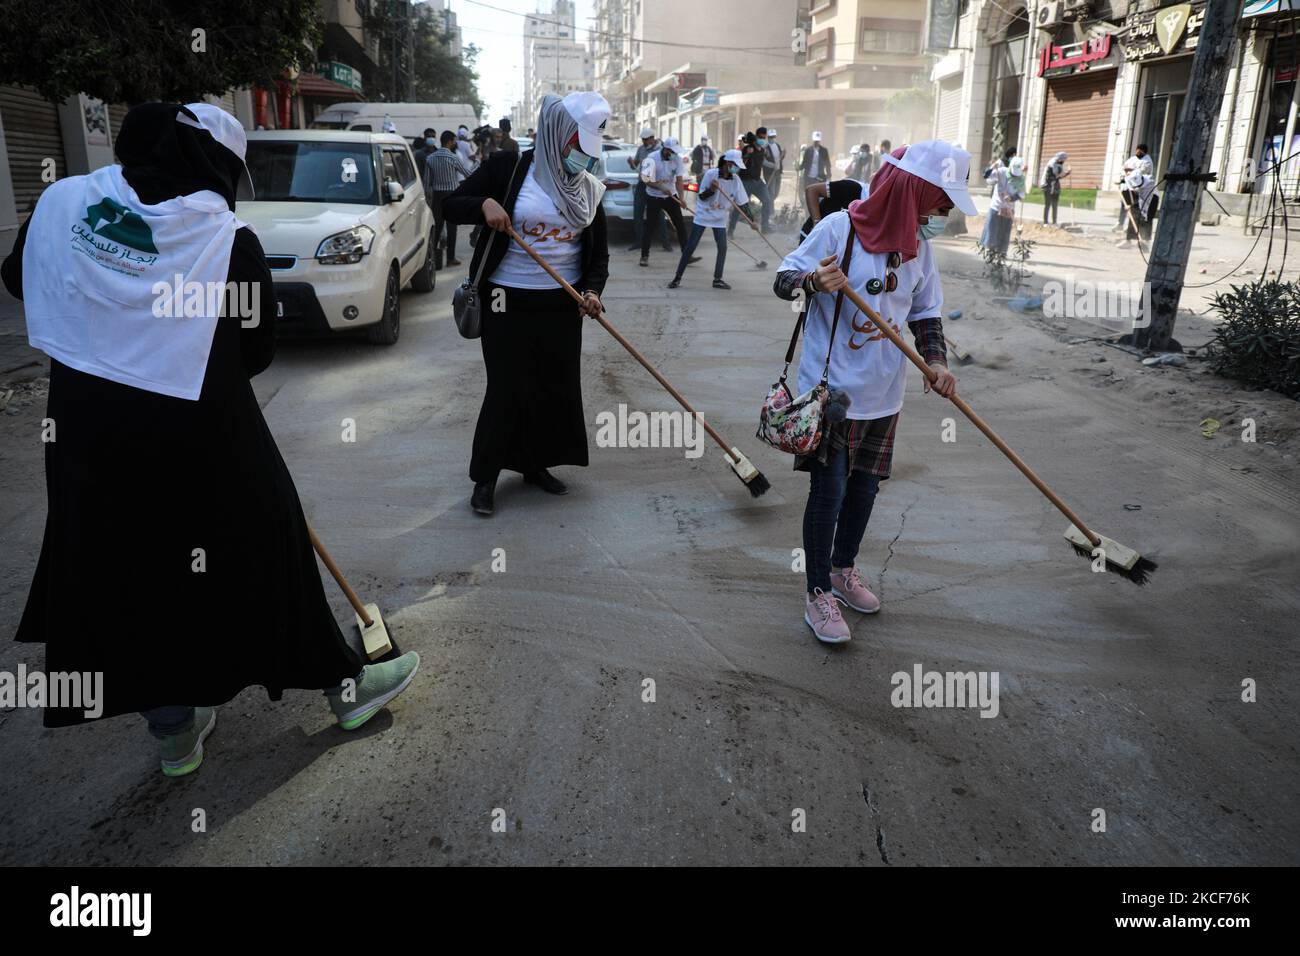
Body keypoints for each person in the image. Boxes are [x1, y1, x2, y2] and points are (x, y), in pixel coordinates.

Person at [0, 102, 420, 774]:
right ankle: (346, 687)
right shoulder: (223, 240)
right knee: (264, 551)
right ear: (216, 166)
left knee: (126, 569)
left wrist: (108, 306)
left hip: (90, 439)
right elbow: (255, 352)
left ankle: (174, 725)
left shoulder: (63, 204)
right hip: (207, 442)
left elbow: (19, 280)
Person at [773, 140, 972, 644]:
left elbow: (926, 313)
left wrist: (937, 362)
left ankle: (843, 570)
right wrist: (814, 280)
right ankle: (818, 592)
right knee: (830, 491)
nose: (942, 217)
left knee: (864, 488)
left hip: (886, 393)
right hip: (833, 393)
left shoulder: (918, 248)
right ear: (912, 193)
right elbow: (782, 280)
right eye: (940, 205)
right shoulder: (838, 229)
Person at [443, 91, 610, 517]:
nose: (581, 157)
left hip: (562, 300)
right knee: (506, 386)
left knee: (551, 384)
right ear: (556, 133)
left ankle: (535, 466)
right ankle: (486, 476)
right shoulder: (508, 168)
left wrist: (592, 292)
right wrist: (484, 204)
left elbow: (598, 252)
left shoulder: (587, 184)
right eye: (575, 146)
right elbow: (449, 205)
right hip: (505, 298)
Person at [670, 148, 746, 290]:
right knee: (690, 247)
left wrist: (751, 220)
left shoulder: (736, 180)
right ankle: (677, 278)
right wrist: (711, 189)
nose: (736, 169)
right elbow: (702, 196)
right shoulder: (710, 174)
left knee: (722, 248)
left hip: (720, 217)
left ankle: (717, 279)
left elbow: (743, 203)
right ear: (728, 163)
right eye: (735, 165)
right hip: (704, 214)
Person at [639, 136, 691, 266]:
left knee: (680, 225)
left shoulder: (677, 160)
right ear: (665, 149)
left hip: (670, 196)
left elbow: (679, 180)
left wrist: (682, 198)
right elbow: (646, 179)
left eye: (675, 152)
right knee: (649, 227)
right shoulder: (651, 158)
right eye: (672, 152)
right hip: (653, 197)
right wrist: (660, 187)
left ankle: (686, 255)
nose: (674, 154)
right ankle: (644, 256)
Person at [426, 129, 473, 267]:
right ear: (450, 141)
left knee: (437, 227)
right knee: (452, 228)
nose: (454, 143)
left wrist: (428, 200)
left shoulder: (430, 158)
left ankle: (433, 258)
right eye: (453, 141)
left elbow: (426, 183)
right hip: (452, 196)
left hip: (437, 196)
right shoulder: (453, 158)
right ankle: (450, 258)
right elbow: (467, 173)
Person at [627, 126, 670, 252]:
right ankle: (639, 242)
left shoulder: (660, 151)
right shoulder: (641, 149)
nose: (644, 142)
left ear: (652, 138)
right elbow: (635, 164)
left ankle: (666, 243)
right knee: (637, 213)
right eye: (643, 139)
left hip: (655, 186)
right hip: (642, 184)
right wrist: (631, 163)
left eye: (646, 139)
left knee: (659, 215)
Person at [800, 175, 869, 245]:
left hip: (832, 243)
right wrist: (817, 225)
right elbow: (811, 190)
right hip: (811, 237)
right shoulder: (851, 187)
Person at [729, 131, 772, 236]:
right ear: (756, 138)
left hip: (758, 181)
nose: (762, 139)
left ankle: (765, 227)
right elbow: (740, 163)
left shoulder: (762, 150)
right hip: (745, 182)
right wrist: (747, 154)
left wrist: (774, 165)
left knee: (767, 201)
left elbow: (764, 161)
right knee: (741, 206)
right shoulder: (746, 149)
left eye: (763, 137)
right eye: (760, 137)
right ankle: (730, 230)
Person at [980, 154, 1024, 255]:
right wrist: (992, 167)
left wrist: (1012, 198)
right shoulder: (1001, 171)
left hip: (1009, 208)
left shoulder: (1021, 178)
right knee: (992, 230)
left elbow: (1021, 195)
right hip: (996, 206)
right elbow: (985, 175)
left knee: (1004, 232)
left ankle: (1001, 252)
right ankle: (989, 250)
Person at [1120, 166, 1158, 246]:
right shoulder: (1131, 179)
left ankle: (1146, 241)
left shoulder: (1145, 181)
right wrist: (1129, 205)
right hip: (1142, 196)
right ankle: (1129, 240)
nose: (1127, 172)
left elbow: (1144, 200)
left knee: (1147, 217)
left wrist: (1133, 206)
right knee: (1133, 215)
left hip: (1152, 197)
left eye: (1129, 170)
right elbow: (1131, 193)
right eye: (1126, 171)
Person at [799, 131, 831, 216]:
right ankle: (808, 215)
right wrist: (798, 167)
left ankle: (817, 215)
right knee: (808, 197)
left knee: (819, 198)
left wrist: (829, 176)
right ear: (813, 140)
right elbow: (804, 164)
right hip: (809, 178)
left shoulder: (824, 151)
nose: (816, 142)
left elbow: (828, 164)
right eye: (815, 141)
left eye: (818, 141)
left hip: (819, 178)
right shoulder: (808, 150)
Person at [1039, 150, 1069, 225]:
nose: (1064, 161)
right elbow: (1057, 176)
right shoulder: (1052, 164)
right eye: (1064, 159)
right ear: (1060, 158)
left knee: (1055, 203)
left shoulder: (1059, 163)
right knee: (1048, 203)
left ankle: (1054, 221)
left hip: (1055, 184)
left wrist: (1066, 173)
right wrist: (1067, 173)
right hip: (1047, 184)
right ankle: (1045, 222)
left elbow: (1060, 175)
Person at [766, 129, 786, 205]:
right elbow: (763, 161)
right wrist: (772, 165)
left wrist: (783, 154)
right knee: (771, 192)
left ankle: (768, 204)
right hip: (769, 173)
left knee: (776, 192)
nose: (772, 138)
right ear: (768, 137)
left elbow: (780, 158)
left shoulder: (777, 145)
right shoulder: (765, 147)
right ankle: (771, 210)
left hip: (778, 171)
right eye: (771, 137)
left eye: (774, 137)